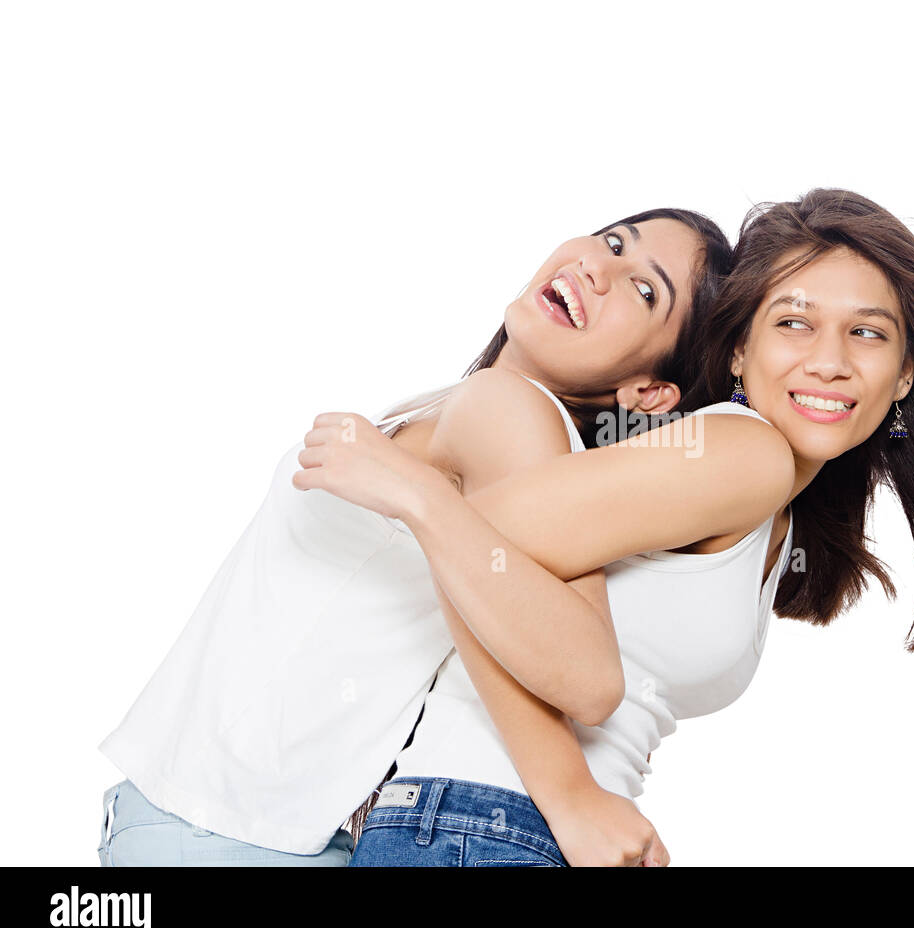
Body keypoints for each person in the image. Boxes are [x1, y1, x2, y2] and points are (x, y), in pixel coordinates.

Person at [295, 188, 914, 866]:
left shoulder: (765, 499)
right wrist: (571, 795)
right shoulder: (742, 453)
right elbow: (472, 540)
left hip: (490, 829)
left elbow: (491, 551)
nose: (829, 360)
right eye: (793, 322)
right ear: (740, 351)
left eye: (867, 332)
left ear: (905, 374)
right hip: (484, 824)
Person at [96, 207, 731, 866]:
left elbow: (590, 678)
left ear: (649, 391)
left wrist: (417, 497)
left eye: (644, 289)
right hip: (234, 828)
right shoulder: (476, 405)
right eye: (612, 241)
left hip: (225, 826)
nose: (599, 268)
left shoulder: (515, 411)